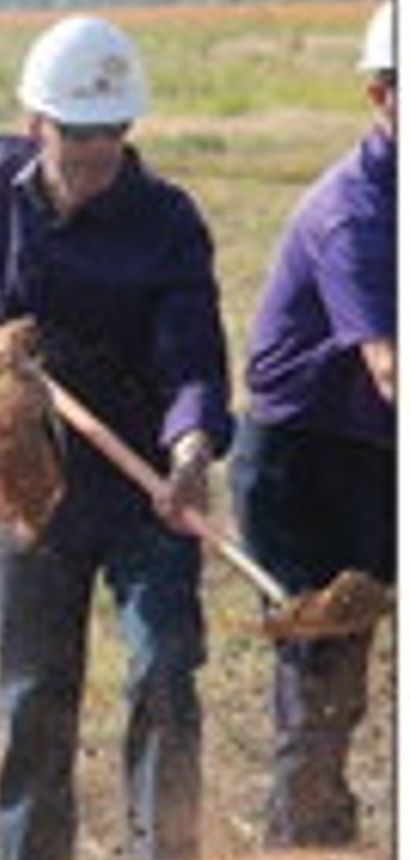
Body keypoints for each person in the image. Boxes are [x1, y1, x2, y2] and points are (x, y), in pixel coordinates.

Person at [0, 16, 233, 860]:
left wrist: (189, 449)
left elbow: (192, 361)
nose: (97, 151)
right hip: (28, 465)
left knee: (164, 666)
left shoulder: (167, 221)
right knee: (35, 690)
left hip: (144, 476)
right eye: (77, 132)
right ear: (35, 122)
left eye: (114, 131)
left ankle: (164, 846)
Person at [228, 2, 396, 848]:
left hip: (378, 452)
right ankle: (305, 836)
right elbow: (391, 367)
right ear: (381, 95)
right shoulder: (354, 213)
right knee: (324, 674)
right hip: (305, 464)